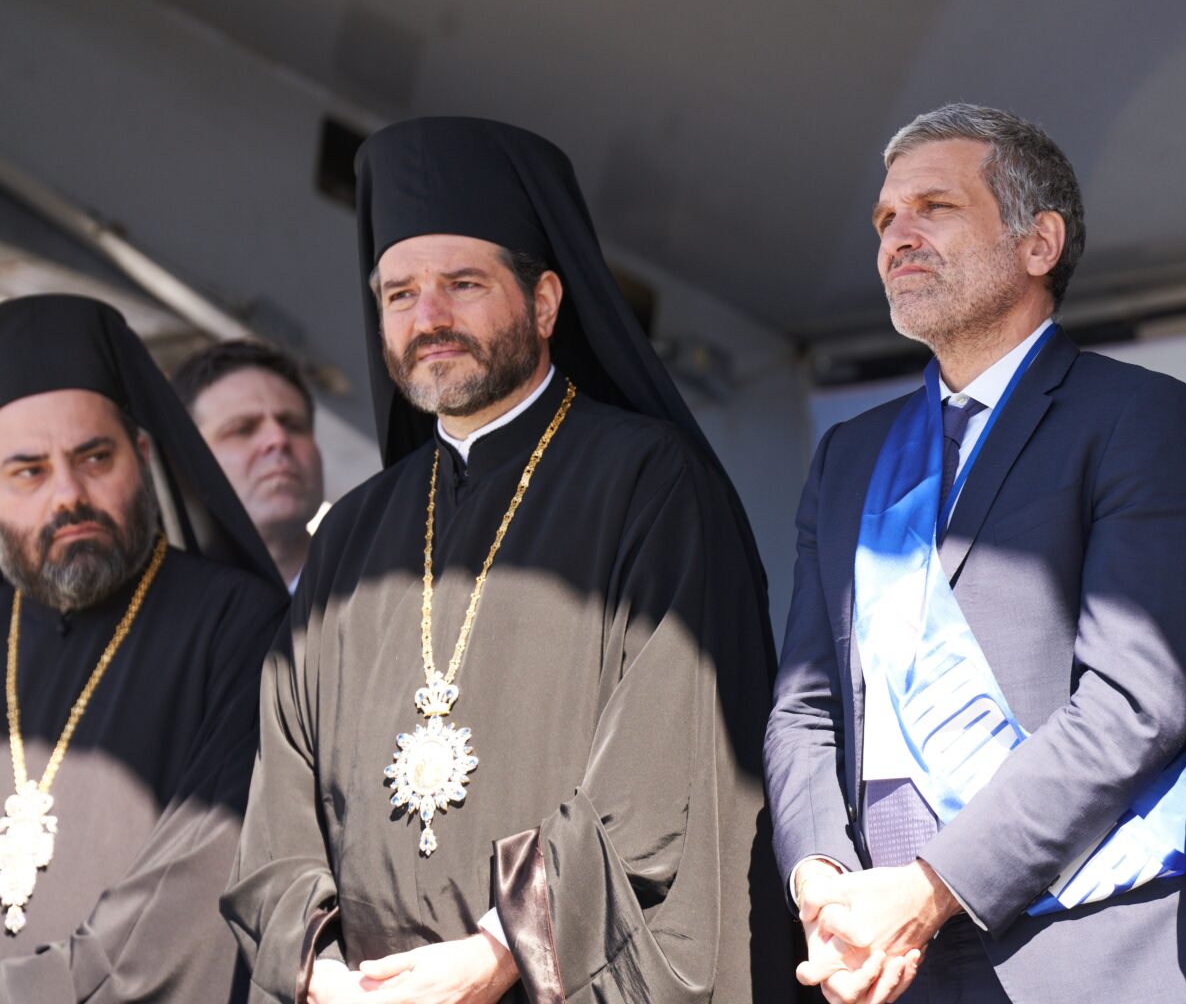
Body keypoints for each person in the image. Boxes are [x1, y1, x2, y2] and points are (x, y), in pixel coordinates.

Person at [221, 117, 793, 1004]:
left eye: (462, 284)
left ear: (546, 301)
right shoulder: (353, 534)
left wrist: (498, 948)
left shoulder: (649, 483)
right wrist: (323, 975)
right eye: (400, 294)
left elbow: (662, 768)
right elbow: (283, 787)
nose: (429, 318)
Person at [763, 103, 1186, 1004]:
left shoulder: (1137, 417)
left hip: (1080, 941)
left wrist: (930, 889)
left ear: (1039, 243)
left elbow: (1141, 699)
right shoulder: (849, 455)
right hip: (874, 950)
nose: (896, 236)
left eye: (932, 207)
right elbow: (803, 709)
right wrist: (820, 884)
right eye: (884, 220)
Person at [0, 294, 287, 1001]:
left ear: (144, 455)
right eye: (28, 472)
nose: (69, 495)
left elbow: (197, 885)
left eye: (95, 457)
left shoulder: (238, 623)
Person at [172, 340, 327, 592]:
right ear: (184, 463)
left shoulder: (390, 587)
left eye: (293, 425)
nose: (278, 439)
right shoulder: (164, 617)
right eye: (242, 429)